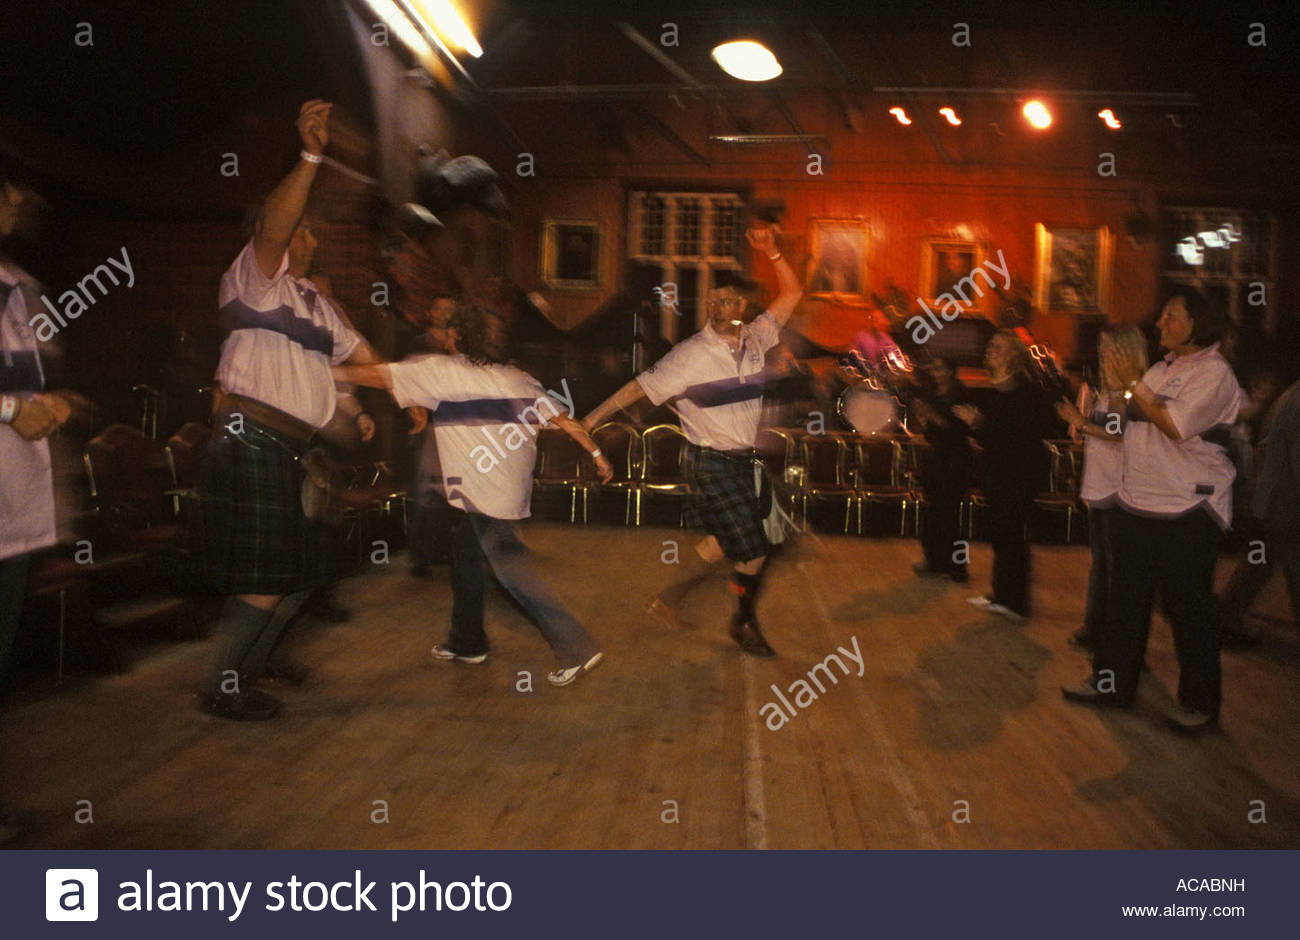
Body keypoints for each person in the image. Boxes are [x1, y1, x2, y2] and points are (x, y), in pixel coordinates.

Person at [197, 100, 411, 720]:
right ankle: (221, 685)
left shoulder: (318, 303)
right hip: (252, 435)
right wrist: (312, 156)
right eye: (302, 228)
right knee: (267, 574)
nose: (308, 234)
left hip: (297, 447)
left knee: (305, 570)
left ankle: (253, 661)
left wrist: (420, 393)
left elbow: (368, 361)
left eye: (312, 229)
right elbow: (272, 224)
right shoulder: (253, 278)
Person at [334, 303, 611, 686]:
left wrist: (320, 370)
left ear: (457, 338)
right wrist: (597, 454)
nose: (444, 336)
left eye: (449, 331)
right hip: (502, 492)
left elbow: (378, 376)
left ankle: (576, 648)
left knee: (512, 570)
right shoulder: (517, 378)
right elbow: (564, 421)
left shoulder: (441, 372)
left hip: (484, 496)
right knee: (467, 554)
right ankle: (467, 642)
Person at [582, 227, 802, 656]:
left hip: (742, 462)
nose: (719, 307)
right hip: (710, 463)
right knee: (754, 548)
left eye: (729, 300)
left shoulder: (757, 337)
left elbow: (792, 294)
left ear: (743, 306)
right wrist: (590, 418)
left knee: (725, 543)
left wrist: (774, 252)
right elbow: (637, 388)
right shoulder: (689, 355)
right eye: (714, 300)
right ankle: (743, 624)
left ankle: (667, 600)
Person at [1062, 287, 1241, 734]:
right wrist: (1087, 420)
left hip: (1189, 507)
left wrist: (1131, 384)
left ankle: (1199, 705)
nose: (1160, 324)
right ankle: (1111, 686)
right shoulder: (1164, 369)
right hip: (1139, 502)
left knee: (1188, 610)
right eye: (1162, 317)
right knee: (1125, 603)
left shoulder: (1214, 374)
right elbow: (1129, 425)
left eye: (1171, 317)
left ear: (1199, 323)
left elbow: (1177, 426)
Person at [1, 160, 75, 843]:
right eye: (9, 191)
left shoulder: (22, 290)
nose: (20, 201)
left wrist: (53, 403)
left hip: (16, 513)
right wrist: (9, 408)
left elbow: (37, 378)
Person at [1055, 326, 1148, 650]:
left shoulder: (1132, 392)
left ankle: (1115, 639)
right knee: (1102, 564)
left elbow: (1119, 431)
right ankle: (1095, 628)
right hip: (1100, 488)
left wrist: (1081, 422)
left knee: (1117, 568)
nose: (1103, 356)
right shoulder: (1107, 390)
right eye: (1102, 349)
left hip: (1120, 492)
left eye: (1110, 349)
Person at [954, 331, 1058, 620]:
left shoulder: (1028, 394)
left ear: (1014, 356)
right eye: (990, 346)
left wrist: (979, 424)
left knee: (1012, 536)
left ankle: (1016, 603)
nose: (990, 351)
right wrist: (976, 430)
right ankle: (1001, 594)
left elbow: (1017, 436)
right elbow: (992, 435)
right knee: (1000, 535)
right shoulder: (992, 392)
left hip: (1018, 475)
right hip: (996, 474)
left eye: (998, 347)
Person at [910, 356, 973, 582]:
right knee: (934, 512)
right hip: (937, 459)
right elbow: (931, 429)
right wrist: (923, 422)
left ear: (949, 370)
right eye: (933, 368)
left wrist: (932, 417)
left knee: (951, 515)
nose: (935, 372)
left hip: (955, 460)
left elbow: (958, 428)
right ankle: (935, 561)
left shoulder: (960, 394)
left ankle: (958, 567)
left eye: (939, 368)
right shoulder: (933, 394)